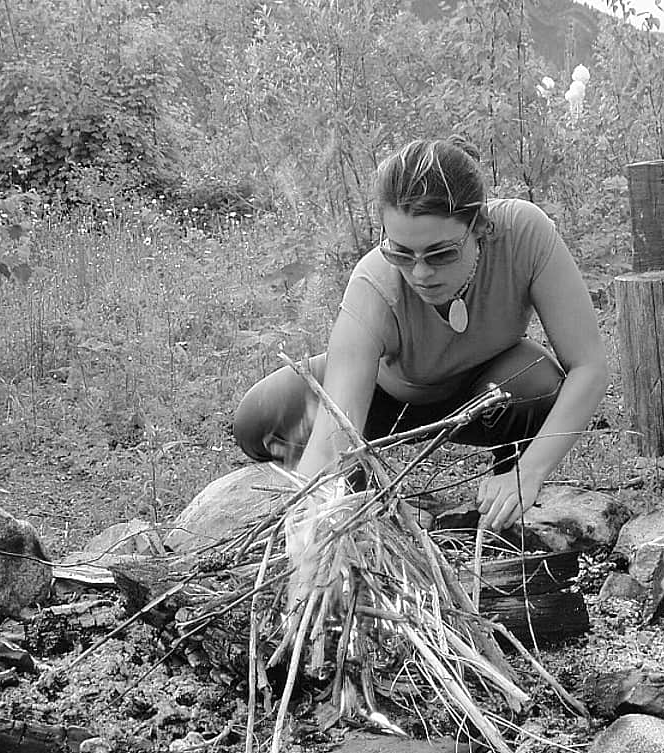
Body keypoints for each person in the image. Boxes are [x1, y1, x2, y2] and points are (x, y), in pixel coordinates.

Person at [233, 136, 609, 532]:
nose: (420, 273)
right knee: (259, 418)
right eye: (401, 254)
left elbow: (589, 365)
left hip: (485, 393)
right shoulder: (372, 285)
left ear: (479, 225)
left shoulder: (524, 234)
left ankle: (505, 494)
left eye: (441, 253)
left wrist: (530, 471)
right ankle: (370, 492)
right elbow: (336, 430)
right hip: (382, 400)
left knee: (539, 383)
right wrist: (322, 511)